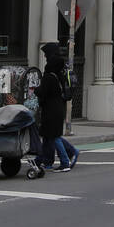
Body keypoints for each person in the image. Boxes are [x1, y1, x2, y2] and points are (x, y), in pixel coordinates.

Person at [36, 43, 77, 171]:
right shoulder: (59, 74)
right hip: (58, 107)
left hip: (51, 110)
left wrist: (35, 90)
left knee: (53, 136)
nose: (44, 57)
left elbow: (43, 92)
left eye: (45, 54)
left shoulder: (49, 76)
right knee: (49, 136)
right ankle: (44, 161)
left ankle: (65, 161)